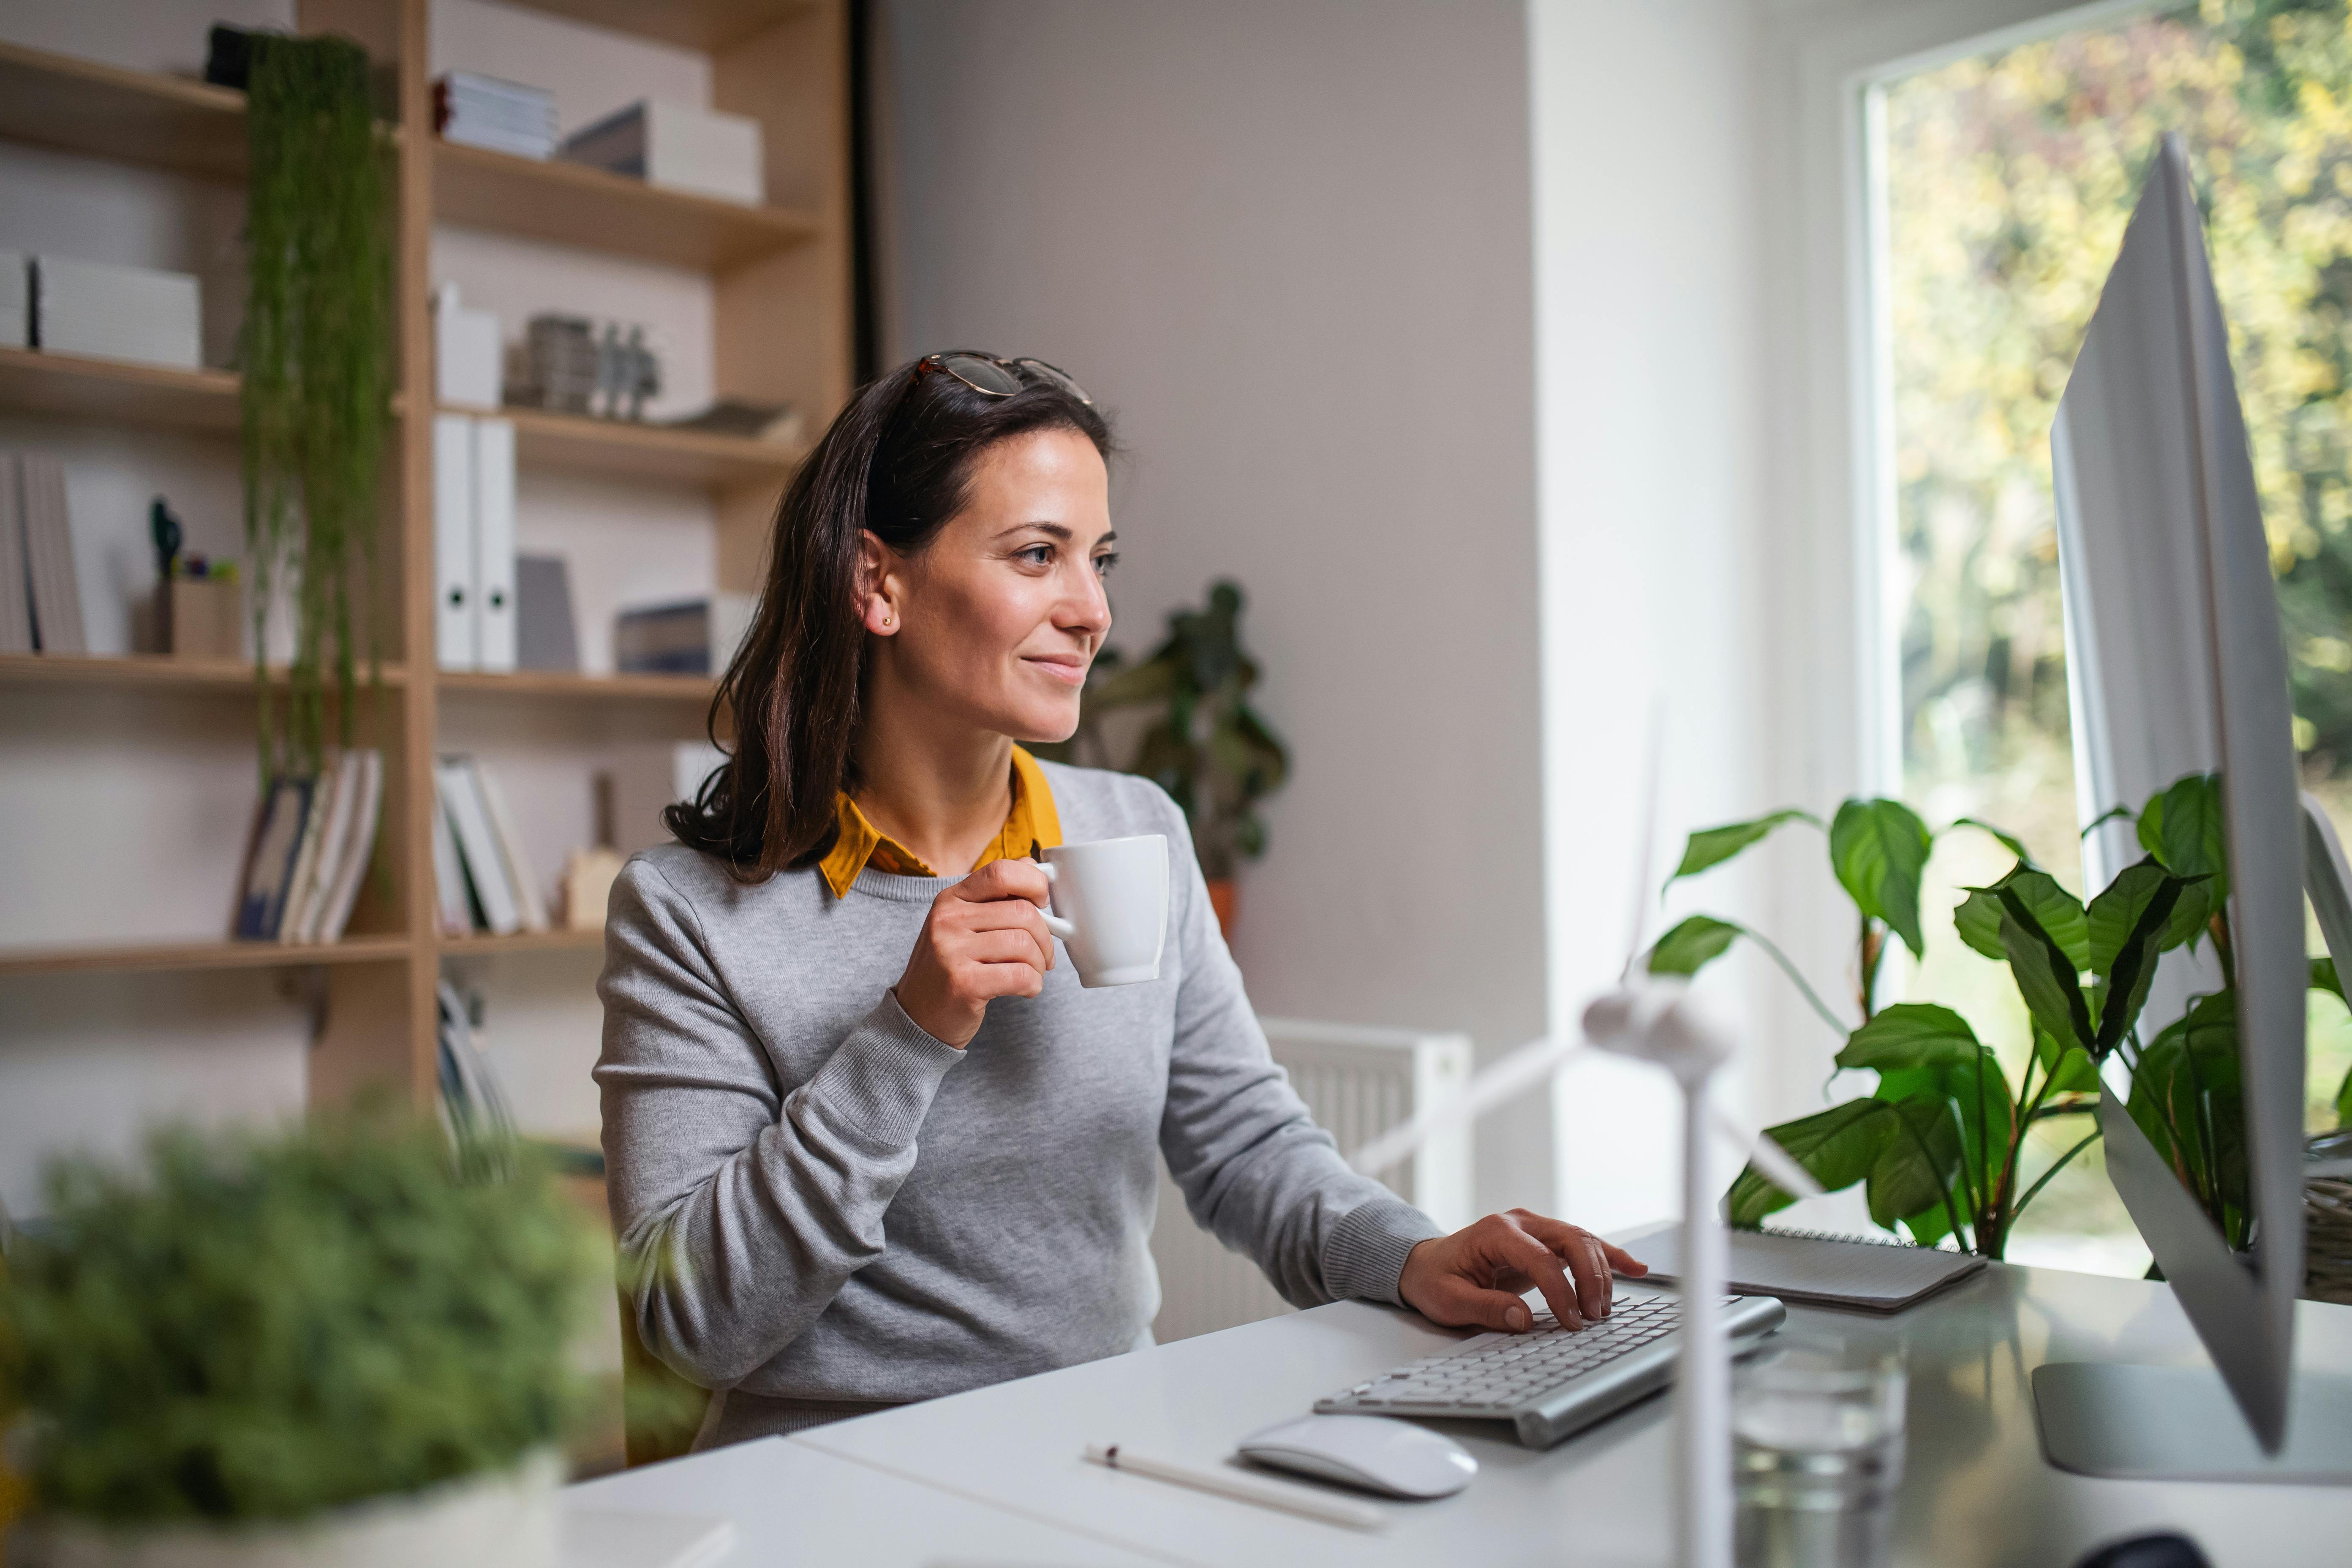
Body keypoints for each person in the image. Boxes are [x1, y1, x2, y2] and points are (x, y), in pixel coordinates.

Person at [596, 351, 1645, 1448]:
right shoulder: (687, 915)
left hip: (1106, 1447)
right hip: (833, 1479)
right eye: (1037, 555)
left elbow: (1245, 1148)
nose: (1092, 611)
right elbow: (692, 1324)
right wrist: (905, 1035)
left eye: (1097, 560)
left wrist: (1410, 1255)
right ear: (878, 583)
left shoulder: (1128, 833)